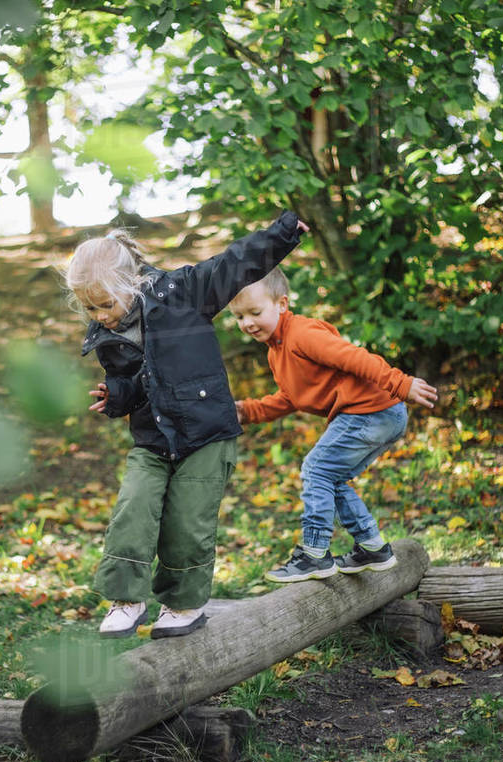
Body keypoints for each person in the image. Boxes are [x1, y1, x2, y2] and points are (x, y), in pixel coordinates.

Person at [66, 212, 308, 638]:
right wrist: (116, 395)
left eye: (105, 303)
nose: (99, 315)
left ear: (132, 284)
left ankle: (183, 605)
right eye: (89, 307)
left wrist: (283, 232)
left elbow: (234, 264)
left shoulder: (181, 293)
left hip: (206, 435)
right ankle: (127, 597)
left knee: (187, 524)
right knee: (133, 508)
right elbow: (133, 383)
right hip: (153, 438)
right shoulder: (106, 335)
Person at [230, 268, 438, 582]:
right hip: (374, 413)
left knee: (316, 469)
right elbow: (291, 397)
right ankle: (371, 548)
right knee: (331, 477)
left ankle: (314, 553)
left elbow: (355, 358)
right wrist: (247, 411)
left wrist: (401, 383)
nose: (247, 323)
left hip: (371, 410)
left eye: (255, 312)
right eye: (238, 317)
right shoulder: (277, 352)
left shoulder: (303, 334)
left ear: (282, 304)